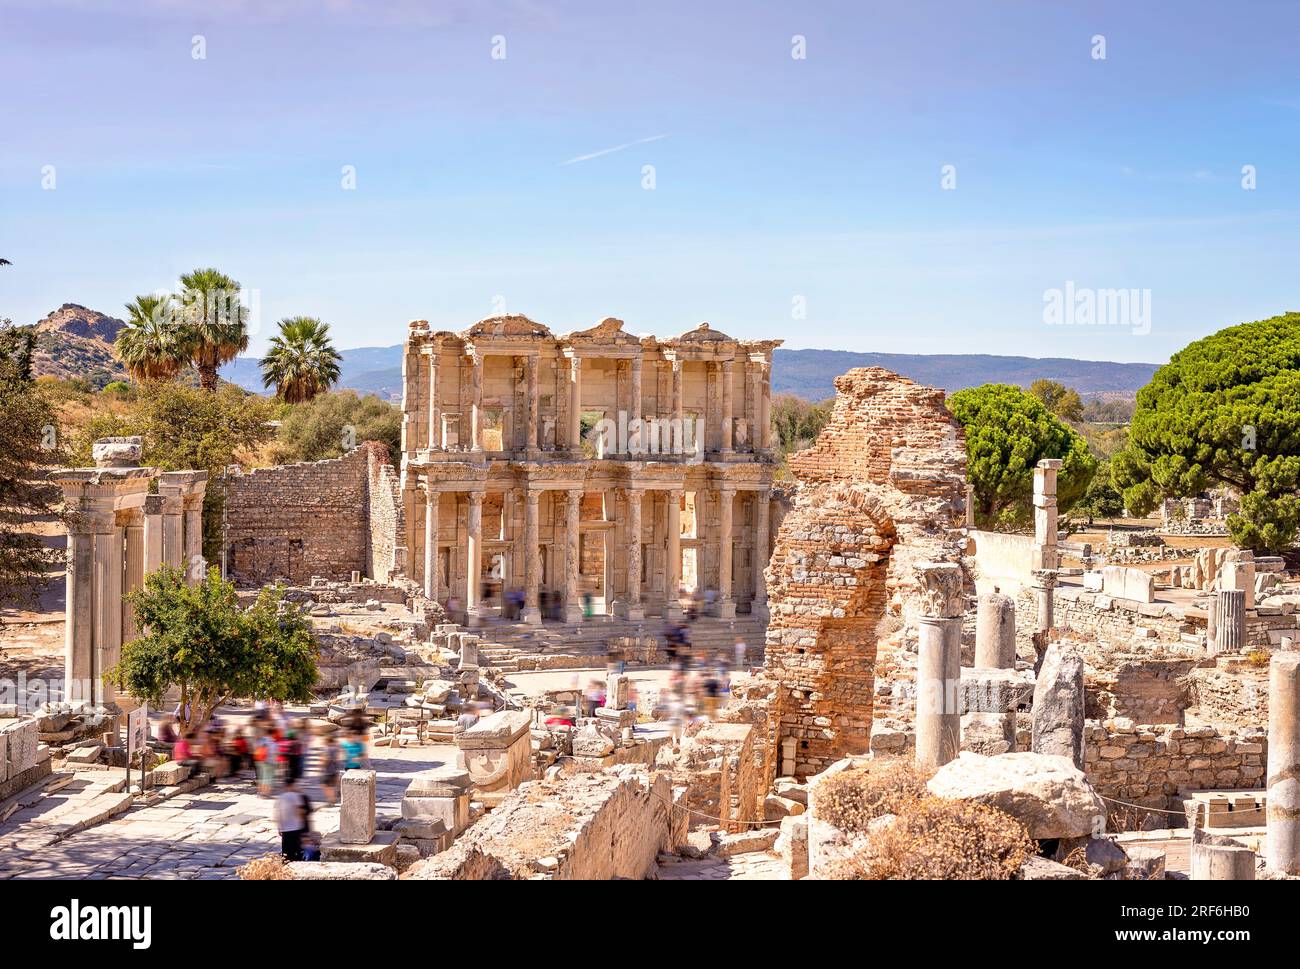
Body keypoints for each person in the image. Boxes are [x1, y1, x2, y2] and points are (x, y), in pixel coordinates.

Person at [275, 776, 312, 862]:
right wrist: (303, 824)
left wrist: (279, 827)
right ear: (292, 785)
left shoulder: (280, 798)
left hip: (285, 829)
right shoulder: (295, 796)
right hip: (295, 828)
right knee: (296, 851)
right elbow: (299, 811)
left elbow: (277, 814)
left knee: (286, 851)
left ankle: (286, 867)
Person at [319, 734, 340, 803]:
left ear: (327, 741)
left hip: (327, 770)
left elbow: (326, 759)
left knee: (325, 785)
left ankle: (331, 799)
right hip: (334, 769)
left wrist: (322, 767)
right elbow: (337, 759)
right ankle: (334, 796)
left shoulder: (326, 749)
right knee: (331, 785)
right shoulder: (336, 748)